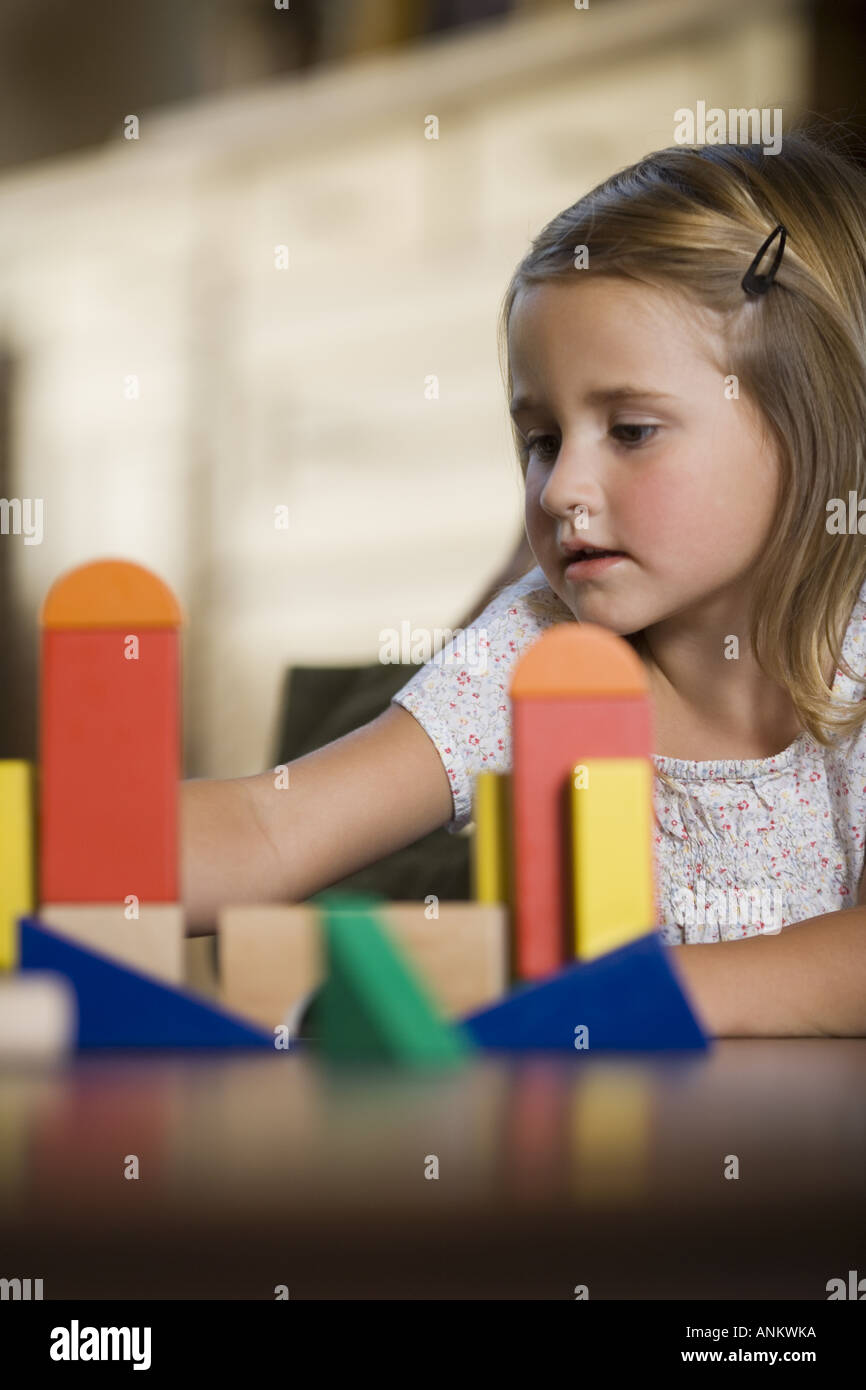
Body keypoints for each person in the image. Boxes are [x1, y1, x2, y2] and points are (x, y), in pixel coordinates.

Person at [182, 123, 866, 1038]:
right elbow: (272, 830)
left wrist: (619, 997)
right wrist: (46, 853)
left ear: (808, 428)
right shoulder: (542, 647)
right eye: (540, 440)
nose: (563, 489)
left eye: (631, 430)